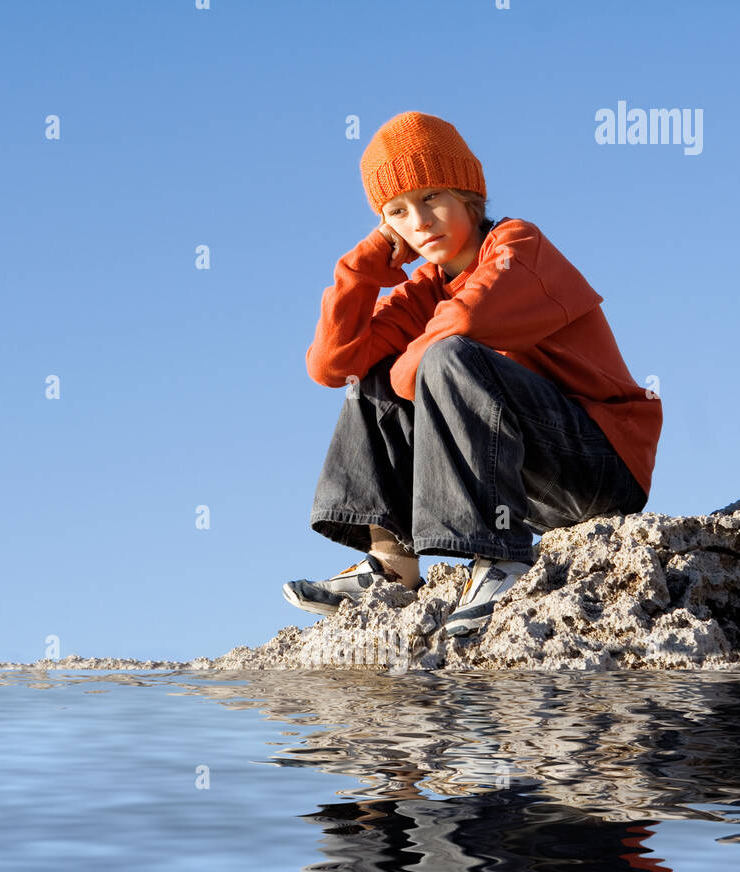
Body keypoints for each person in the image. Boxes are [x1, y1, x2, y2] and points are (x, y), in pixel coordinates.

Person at [284, 110, 663, 637]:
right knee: (369, 374)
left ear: (468, 195)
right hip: (531, 485)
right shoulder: (426, 289)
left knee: (444, 356)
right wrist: (362, 266)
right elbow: (332, 363)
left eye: (431, 198)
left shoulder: (518, 247)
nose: (418, 222)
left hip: (599, 468)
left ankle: (500, 558)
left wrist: (407, 381)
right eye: (396, 212)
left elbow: (465, 322)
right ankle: (392, 567)